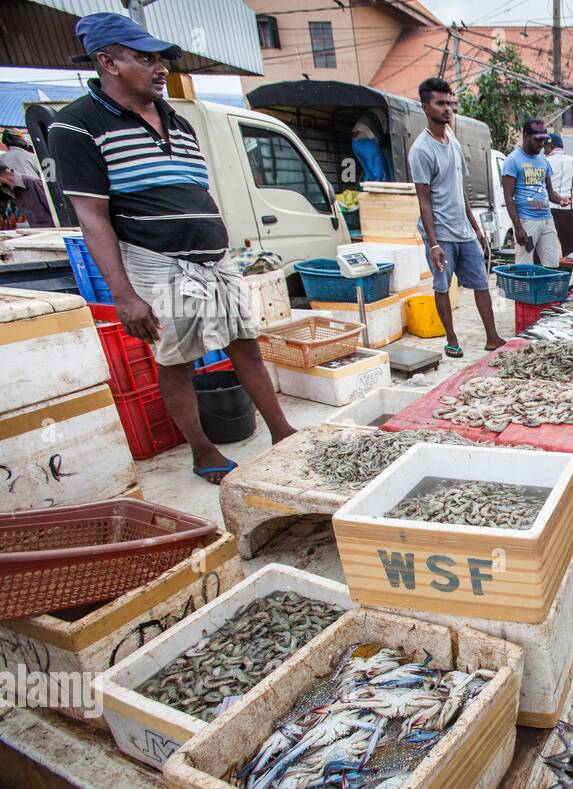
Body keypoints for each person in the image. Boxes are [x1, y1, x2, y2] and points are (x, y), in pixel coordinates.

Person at [48, 13, 293, 485]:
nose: (160, 68)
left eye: (162, 59)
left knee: (246, 345)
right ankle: (203, 450)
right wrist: (125, 295)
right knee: (176, 359)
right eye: (145, 58)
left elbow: (195, 192)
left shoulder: (176, 120)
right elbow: (93, 217)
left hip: (215, 259)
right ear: (107, 62)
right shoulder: (76, 125)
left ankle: (281, 430)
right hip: (156, 261)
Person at [410, 77, 502, 359]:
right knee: (442, 287)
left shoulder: (453, 142)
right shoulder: (421, 150)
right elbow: (423, 201)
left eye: (449, 103)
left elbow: (460, 190)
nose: (447, 109)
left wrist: (476, 228)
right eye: (440, 103)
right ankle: (451, 339)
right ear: (426, 107)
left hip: (463, 231)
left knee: (481, 284)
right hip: (441, 234)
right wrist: (434, 243)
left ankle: (492, 337)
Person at [501, 118, 568, 268]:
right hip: (526, 221)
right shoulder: (512, 160)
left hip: (546, 219)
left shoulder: (544, 161)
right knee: (524, 267)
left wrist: (561, 200)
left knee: (552, 265)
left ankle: (547, 292)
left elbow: (550, 192)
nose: (541, 144)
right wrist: (518, 227)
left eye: (543, 140)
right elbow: (508, 197)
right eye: (537, 140)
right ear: (525, 136)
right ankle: (525, 292)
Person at [544, 132, 573, 257]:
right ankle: (566, 275)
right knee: (569, 251)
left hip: (548, 211)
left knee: (545, 250)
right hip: (569, 211)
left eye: (545, 147)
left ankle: (547, 275)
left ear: (550, 146)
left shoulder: (544, 162)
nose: (544, 150)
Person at [0, 152, 54, 227]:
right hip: (35, 230)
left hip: (51, 230)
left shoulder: (31, 182)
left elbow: (55, 209)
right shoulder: (6, 188)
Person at [350, 115, 388, 183]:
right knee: (380, 173)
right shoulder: (386, 113)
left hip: (355, 142)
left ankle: (373, 189)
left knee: (370, 172)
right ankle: (382, 191)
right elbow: (386, 133)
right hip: (368, 139)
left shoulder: (370, 112)